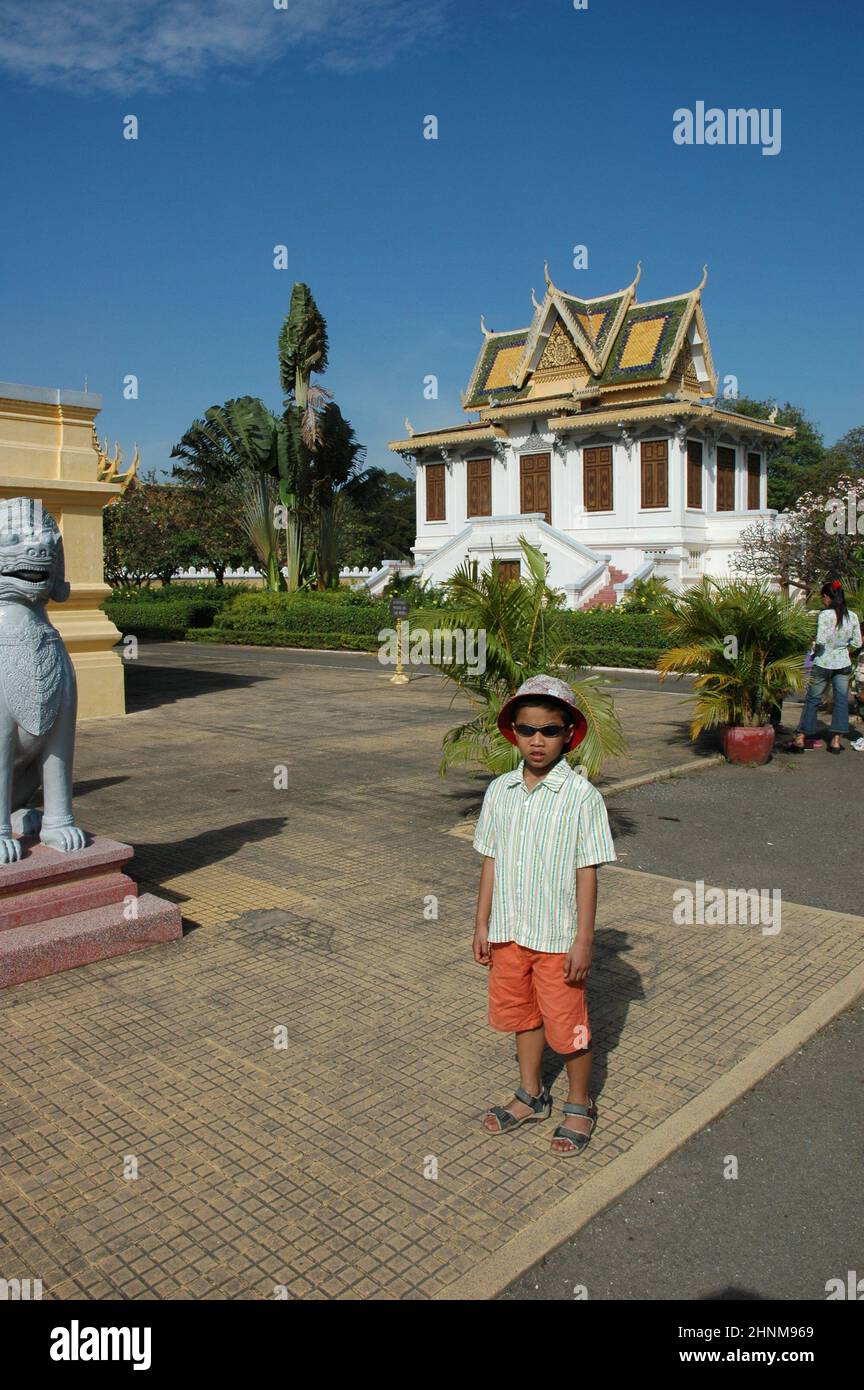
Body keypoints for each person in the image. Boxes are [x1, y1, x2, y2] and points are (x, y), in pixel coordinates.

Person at [472, 674, 617, 1155]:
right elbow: (491, 858)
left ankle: (580, 1102)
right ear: (512, 732)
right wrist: (482, 924)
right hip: (510, 932)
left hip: (558, 938)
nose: (537, 741)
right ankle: (531, 1093)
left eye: (549, 730)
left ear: (569, 735)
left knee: (568, 1023)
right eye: (527, 729)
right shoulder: (500, 791)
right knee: (523, 1016)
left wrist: (584, 939)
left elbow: (587, 871)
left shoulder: (582, 798)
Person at [785, 580, 862, 754]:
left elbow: (820, 640)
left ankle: (800, 738)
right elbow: (857, 642)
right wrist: (843, 649)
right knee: (841, 701)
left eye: (823, 598)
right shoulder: (852, 616)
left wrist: (815, 649)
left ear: (827, 597)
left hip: (823, 662)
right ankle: (835, 741)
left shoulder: (825, 615)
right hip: (843, 663)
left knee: (813, 700)